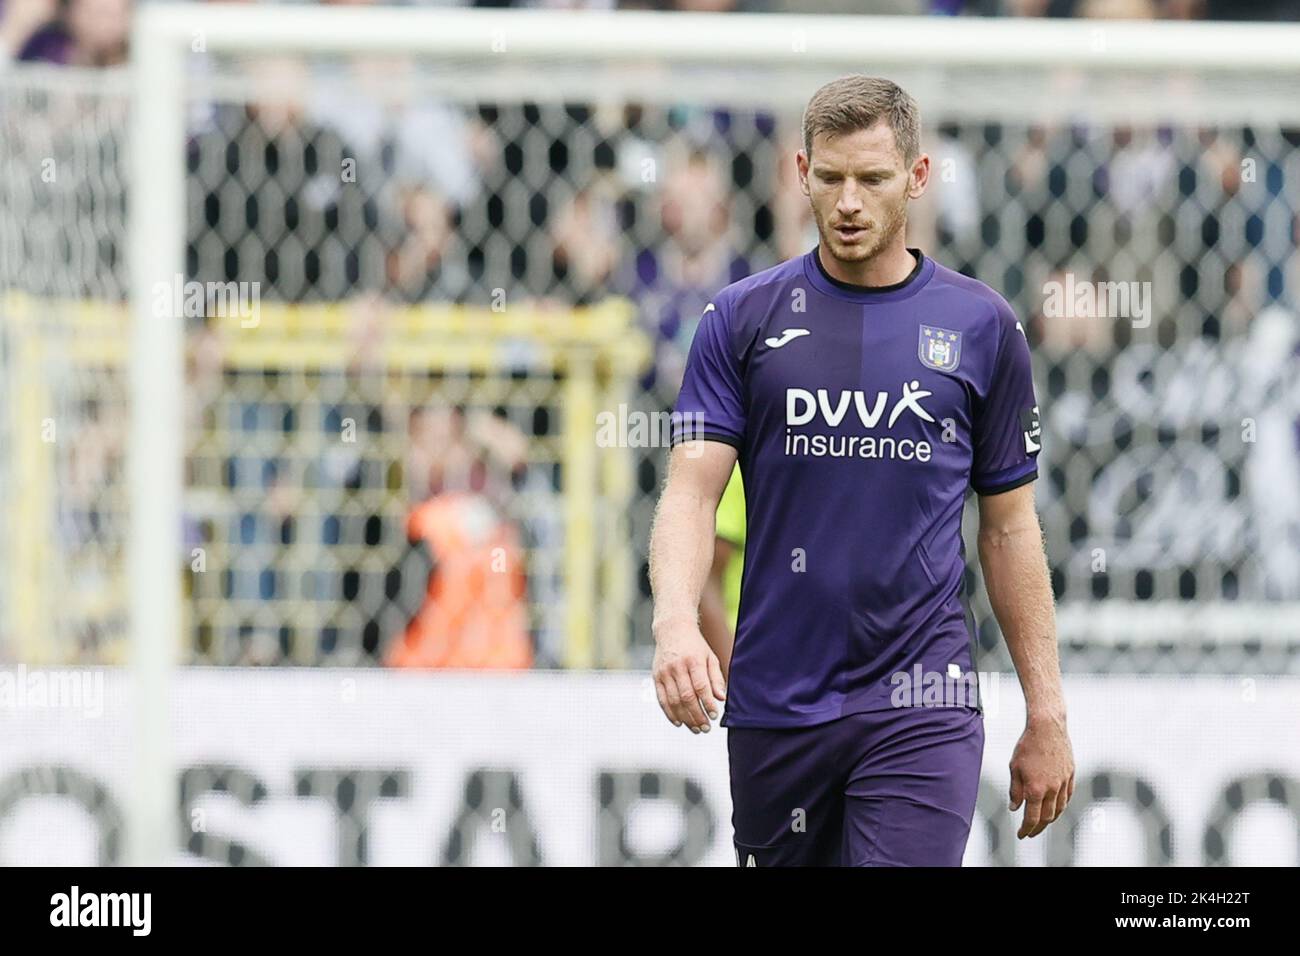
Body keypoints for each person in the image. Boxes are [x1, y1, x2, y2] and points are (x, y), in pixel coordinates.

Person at [648, 75, 1075, 866]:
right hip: (777, 700)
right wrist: (675, 621)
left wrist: (1045, 710)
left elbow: (1010, 529)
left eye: (873, 179)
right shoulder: (741, 320)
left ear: (915, 178)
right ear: (801, 171)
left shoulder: (980, 327)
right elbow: (689, 492)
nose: (849, 201)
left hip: (924, 702)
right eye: (832, 177)